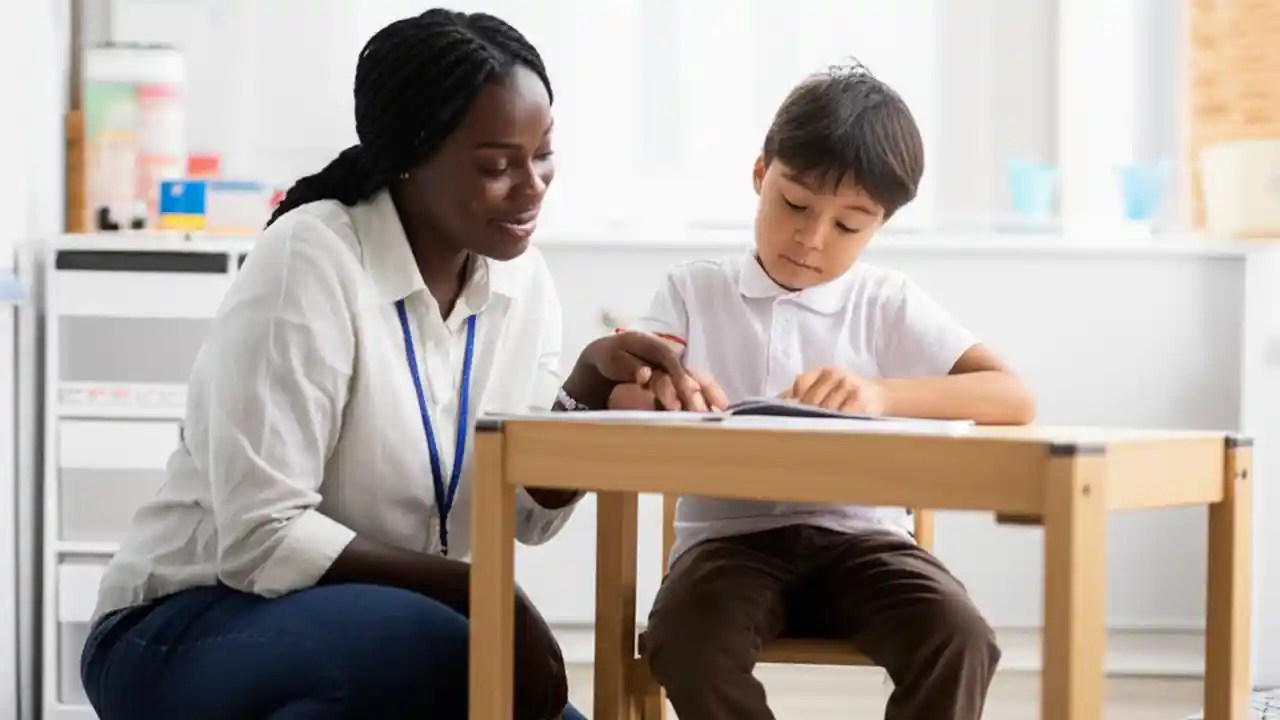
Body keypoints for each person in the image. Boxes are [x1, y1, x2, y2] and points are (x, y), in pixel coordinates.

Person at [80, 10, 713, 720]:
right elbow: (262, 538)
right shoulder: (311, 260)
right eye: (497, 165)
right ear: (411, 157)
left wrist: (588, 385)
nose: (533, 186)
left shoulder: (522, 280)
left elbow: (529, 516)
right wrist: (484, 595)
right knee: (445, 653)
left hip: (388, 634)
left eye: (543, 155)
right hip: (188, 623)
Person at [608, 61, 1037, 720]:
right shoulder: (695, 291)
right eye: (796, 205)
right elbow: (625, 400)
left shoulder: (885, 301)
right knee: (687, 643)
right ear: (760, 175)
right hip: (728, 545)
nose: (811, 239)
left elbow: (1012, 396)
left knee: (960, 638)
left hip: (865, 541)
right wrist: (656, 391)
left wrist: (881, 396)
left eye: (848, 225)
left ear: (880, 225)